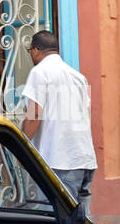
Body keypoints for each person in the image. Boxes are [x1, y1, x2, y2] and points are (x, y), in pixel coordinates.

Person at [21, 30, 97, 208]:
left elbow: (34, 115)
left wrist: (22, 148)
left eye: (30, 51)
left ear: (36, 50)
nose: (31, 55)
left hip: (60, 160)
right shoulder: (78, 76)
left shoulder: (39, 72)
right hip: (84, 158)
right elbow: (86, 114)